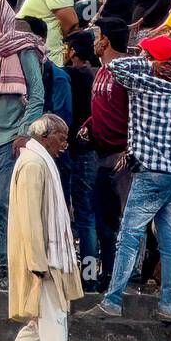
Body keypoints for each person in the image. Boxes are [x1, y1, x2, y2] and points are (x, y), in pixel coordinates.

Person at [91, 34, 171, 324]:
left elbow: (116, 68)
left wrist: (151, 66)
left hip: (148, 174)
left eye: (146, 55)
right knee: (169, 243)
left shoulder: (141, 82)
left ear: (152, 60)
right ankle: (168, 306)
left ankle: (113, 300)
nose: (142, 59)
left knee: (129, 238)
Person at [1, 114, 89, 341]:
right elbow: (29, 218)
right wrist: (38, 262)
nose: (65, 145)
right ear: (43, 136)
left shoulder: (37, 161)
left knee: (44, 315)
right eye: (61, 138)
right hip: (44, 257)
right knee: (55, 317)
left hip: (46, 255)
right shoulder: (34, 164)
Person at [0, 0, 46, 267]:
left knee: (6, 202)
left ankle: (20, 263)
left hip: (11, 139)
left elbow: (37, 92)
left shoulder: (23, 47)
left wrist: (25, 132)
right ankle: (7, 265)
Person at [79, 17, 132, 290]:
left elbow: (137, 113)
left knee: (128, 221)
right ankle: (108, 272)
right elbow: (101, 109)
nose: (95, 42)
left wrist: (131, 151)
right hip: (100, 155)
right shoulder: (101, 72)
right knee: (104, 222)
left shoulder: (127, 72)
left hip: (122, 157)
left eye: (98, 35)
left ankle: (129, 276)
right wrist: (89, 126)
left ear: (106, 40)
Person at [64, 29, 100, 267]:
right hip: (95, 150)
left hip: (73, 150)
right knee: (89, 215)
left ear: (73, 51)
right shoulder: (99, 75)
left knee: (76, 215)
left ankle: (82, 274)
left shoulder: (69, 76)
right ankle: (92, 273)